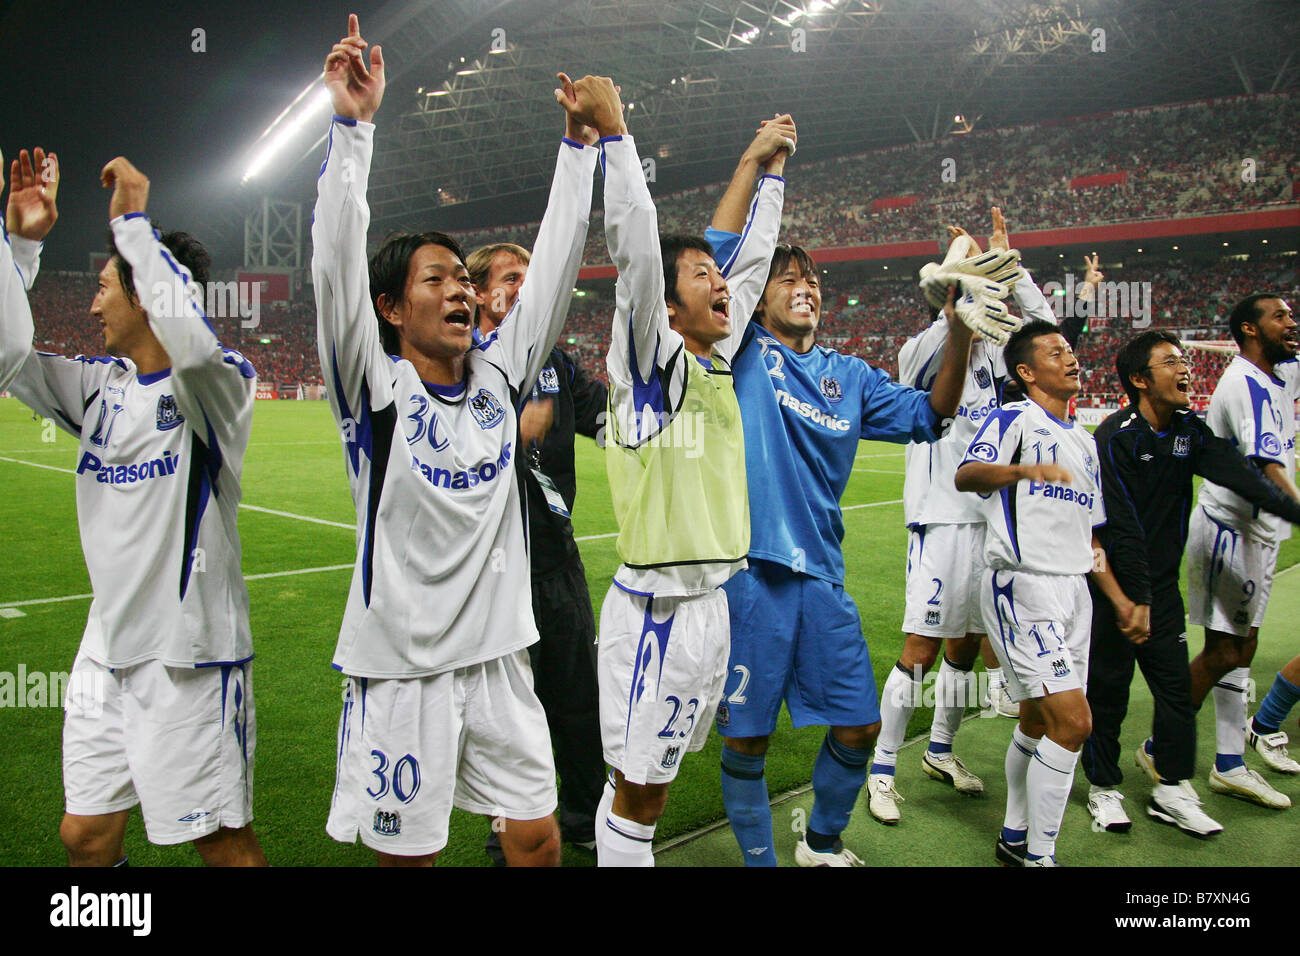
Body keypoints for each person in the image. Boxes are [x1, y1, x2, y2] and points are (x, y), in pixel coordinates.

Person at [313, 15, 598, 865]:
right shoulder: (376, 388)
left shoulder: (495, 381)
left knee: (540, 839)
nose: (462, 293)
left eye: (464, 280)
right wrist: (353, 129)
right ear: (393, 310)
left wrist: (578, 148)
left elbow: (551, 272)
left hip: (504, 660)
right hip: (404, 674)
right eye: (436, 279)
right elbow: (335, 266)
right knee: (413, 858)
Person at [1, 148, 266, 866]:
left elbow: (191, 344)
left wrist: (135, 230)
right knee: (84, 836)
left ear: (147, 293)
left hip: (189, 655)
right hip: (106, 646)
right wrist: (19, 246)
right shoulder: (96, 389)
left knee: (220, 841)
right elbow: (5, 351)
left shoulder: (218, 388)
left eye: (104, 287)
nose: (91, 304)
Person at [713, 220, 978, 865]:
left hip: (823, 577)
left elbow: (930, 413)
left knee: (860, 724)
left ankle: (822, 843)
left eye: (812, 281)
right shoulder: (742, 349)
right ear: (758, 295)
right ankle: (759, 859)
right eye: (787, 279)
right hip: (752, 574)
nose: (805, 288)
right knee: (748, 738)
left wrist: (960, 325)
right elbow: (724, 261)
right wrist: (761, 165)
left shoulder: (849, 375)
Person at [577, 74, 787, 867]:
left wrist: (772, 174)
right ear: (666, 310)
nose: (721, 283)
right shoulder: (649, 366)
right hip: (658, 611)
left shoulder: (713, 364)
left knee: (642, 782)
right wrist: (620, 138)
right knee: (642, 794)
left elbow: (756, 264)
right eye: (701, 275)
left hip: (708, 606)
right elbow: (637, 253)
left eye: (716, 273)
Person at [869, 210, 1056, 825]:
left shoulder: (1002, 351)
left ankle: (941, 750)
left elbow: (1051, 339)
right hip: (943, 518)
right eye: (971, 277)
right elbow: (913, 380)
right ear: (950, 288)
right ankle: (882, 767)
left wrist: (1013, 268)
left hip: (992, 519)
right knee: (921, 645)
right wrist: (958, 305)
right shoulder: (923, 346)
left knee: (968, 644)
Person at [1085, 330, 1300, 836]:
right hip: (1113, 589)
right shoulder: (1115, 436)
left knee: (1177, 693)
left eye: (1183, 359)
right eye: (1169, 362)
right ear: (1140, 379)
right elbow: (1122, 529)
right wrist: (1131, 601)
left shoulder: (1190, 430)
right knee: (1109, 691)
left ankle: (1170, 789)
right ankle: (1103, 787)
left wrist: (1293, 510)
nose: (1184, 368)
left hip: (1159, 591)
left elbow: (1239, 473)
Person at [956, 319, 1138, 866]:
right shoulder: (1014, 417)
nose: (1071, 358)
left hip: (1074, 592)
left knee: (1039, 721)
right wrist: (1020, 470)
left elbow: (1091, 535)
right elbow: (968, 474)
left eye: (1070, 350)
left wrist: (1120, 599)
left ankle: (1014, 835)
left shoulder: (1084, 442)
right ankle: (1039, 855)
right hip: (1022, 586)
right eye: (1055, 352)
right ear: (1027, 371)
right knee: (1075, 722)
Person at [466, 239, 608, 855]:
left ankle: (583, 819)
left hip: (556, 561)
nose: (526, 285)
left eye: (531, 275)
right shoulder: (461, 363)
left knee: (579, 700)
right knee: (505, 711)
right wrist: (505, 437)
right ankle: (507, 836)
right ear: (479, 294)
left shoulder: (556, 361)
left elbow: (604, 415)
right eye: (511, 276)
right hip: (492, 571)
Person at [1185, 293, 1299, 809]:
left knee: (1243, 648)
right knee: (1223, 651)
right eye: (1281, 317)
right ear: (1252, 330)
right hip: (1231, 530)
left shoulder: (1277, 374)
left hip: (1260, 532)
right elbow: (1267, 466)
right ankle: (1161, 747)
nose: (1291, 323)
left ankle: (1230, 763)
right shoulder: (1245, 384)